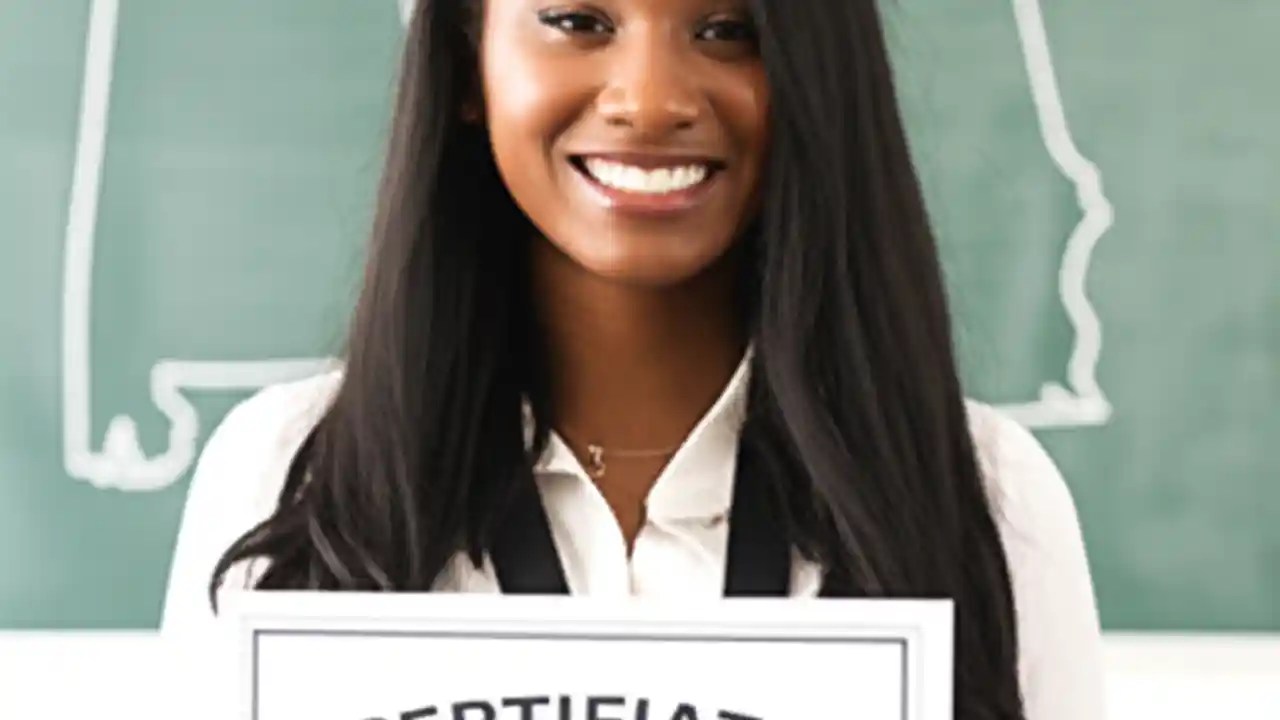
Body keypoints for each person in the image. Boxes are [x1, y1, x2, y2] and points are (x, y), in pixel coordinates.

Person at [162, 0, 1107, 717]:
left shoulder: (986, 494)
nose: (650, 101)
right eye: (579, 21)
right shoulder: (288, 471)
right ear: (467, 62)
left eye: (727, 30)